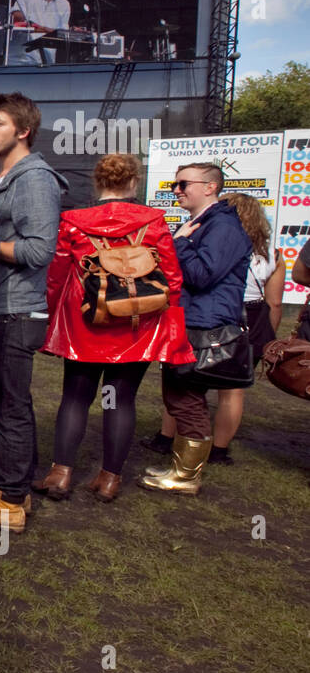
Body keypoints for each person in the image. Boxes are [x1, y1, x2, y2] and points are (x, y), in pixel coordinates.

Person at [36, 154, 191, 503]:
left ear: (97, 182)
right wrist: (172, 321)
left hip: (87, 322)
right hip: (137, 322)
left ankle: (60, 475)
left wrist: (48, 314)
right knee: (120, 399)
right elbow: (173, 277)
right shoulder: (154, 221)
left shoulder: (74, 221)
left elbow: (57, 275)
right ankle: (109, 479)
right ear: (134, 182)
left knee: (75, 397)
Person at [0, 93, 66, 532]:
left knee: (11, 408)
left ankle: (9, 502)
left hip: (17, 311)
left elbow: (39, 250)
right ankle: (13, 487)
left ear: (23, 131)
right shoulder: (7, 174)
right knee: (4, 405)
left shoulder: (34, 179)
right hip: (2, 307)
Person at [142, 163, 251, 495]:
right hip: (192, 321)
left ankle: (187, 476)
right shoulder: (204, 224)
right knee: (182, 396)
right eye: (174, 183)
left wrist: (178, 244)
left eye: (182, 183)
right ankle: (182, 469)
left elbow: (203, 275)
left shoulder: (223, 227)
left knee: (185, 397)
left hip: (206, 325)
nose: (176, 189)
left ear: (210, 187)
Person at [150, 193, 284, 465]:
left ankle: (167, 438)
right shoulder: (272, 254)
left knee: (184, 381)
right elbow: (276, 302)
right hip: (251, 319)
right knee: (232, 391)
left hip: (212, 315)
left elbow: (198, 275)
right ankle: (219, 449)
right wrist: (265, 338)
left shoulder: (210, 243)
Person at [11, 0, 70, 66]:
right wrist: (44, 29)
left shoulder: (64, 4)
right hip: (20, 59)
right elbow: (16, 21)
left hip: (46, 62)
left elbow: (62, 34)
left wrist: (73, 31)